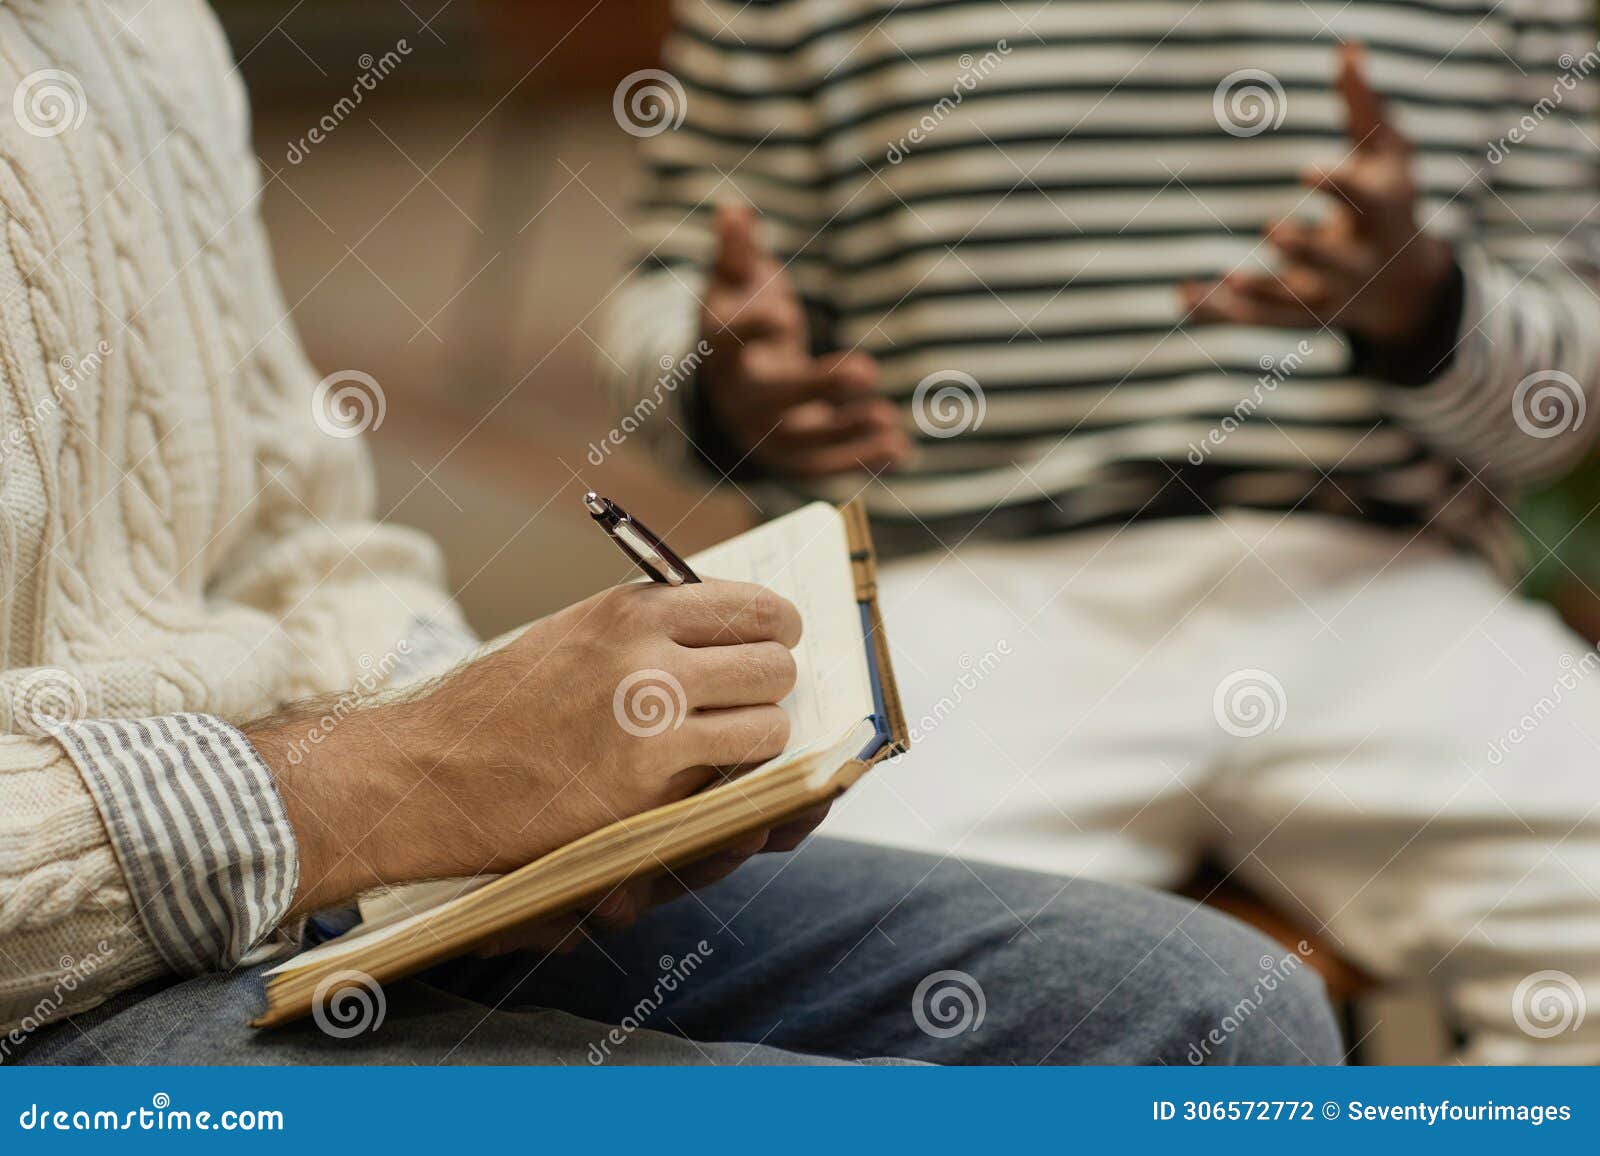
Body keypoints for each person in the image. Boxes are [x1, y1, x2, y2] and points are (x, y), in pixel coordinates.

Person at [0, 1, 1340, 1067]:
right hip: (53, 986)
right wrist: (388, 780)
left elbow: (299, 525)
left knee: (1218, 1013)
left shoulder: (141, 23)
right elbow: (673, 285)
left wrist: (522, 813)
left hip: (305, 878)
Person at [600, 0, 1600, 1062]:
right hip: (941, 589)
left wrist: (1427, 308)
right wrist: (723, 390)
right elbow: (664, 298)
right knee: (771, 971)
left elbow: (1565, 403)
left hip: (1378, 583)